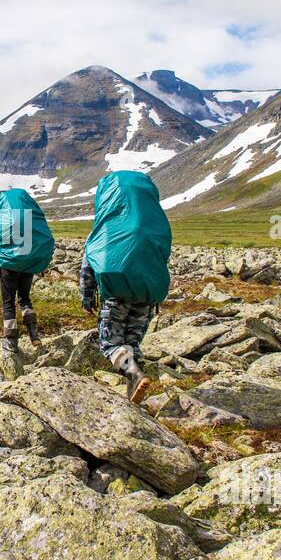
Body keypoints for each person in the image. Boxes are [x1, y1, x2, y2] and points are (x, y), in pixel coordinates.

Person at [79, 170, 172, 402]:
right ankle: (134, 394)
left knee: (111, 344)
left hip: (116, 291)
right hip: (147, 293)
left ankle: (134, 374)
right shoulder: (155, 225)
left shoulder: (107, 226)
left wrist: (87, 298)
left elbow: (88, 265)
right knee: (132, 342)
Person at [0, 188, 55, 351]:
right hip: (28, 264)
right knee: (25, 299)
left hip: (8, 265)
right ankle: (34, 336)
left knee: (8, 303)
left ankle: (11, 341)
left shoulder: (2, 218)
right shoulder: (31, 216)